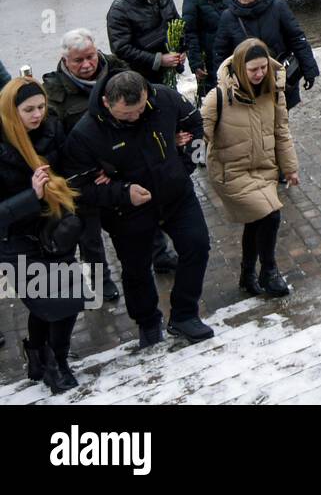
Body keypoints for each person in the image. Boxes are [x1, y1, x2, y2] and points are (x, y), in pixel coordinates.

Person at [61, 69, 214, 346]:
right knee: (136, 270)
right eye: (126, 115)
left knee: (197, 245)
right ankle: (147, 322)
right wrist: (121, 192)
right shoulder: (85, 134)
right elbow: (76, 188)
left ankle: (184, 314)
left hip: (176, 196)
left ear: (146, 93)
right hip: (128, 212)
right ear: (107, 103)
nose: (136, 117)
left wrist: (186, 165)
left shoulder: (164, 98)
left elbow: (195, 123)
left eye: (141, 109)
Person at [0, 79, 86, 393]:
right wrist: (31, 195)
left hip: (52, 231)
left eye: (41, 107)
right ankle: (56, 365)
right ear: (11, 110)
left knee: (63, 300)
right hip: (14, 241)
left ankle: (38, 355)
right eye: (28, 110)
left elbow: (67, 168)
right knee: (57, 303)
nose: (38, 114)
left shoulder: (51, 129)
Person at [42, 29, 141, 301]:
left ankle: (160, 255)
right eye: (78, 61)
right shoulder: (54, 93)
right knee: (90, 237)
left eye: (90, 57)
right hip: (86, 177)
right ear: (65, 60)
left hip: (122, 165)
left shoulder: (117, 69)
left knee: (139, 214)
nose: (86, 65)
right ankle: (101, 280)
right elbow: (58, 145)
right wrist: (90, 171)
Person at [201, 38, 298, 298]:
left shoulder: (273, 92)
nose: (259, 74)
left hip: (263, 169)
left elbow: (281, 131)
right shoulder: (218, 97)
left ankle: (247, 274)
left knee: (258, 221)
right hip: (230, 172)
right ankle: (269, 271)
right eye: (253, 69)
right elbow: (200, 135)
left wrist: (290, 168)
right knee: (271, 214)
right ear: (241, 68)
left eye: (263, 68)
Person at [212, 0, 319, 111]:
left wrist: (309, 69)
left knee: (279, 120)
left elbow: (297, 39)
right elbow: (221, 52)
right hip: (248, 84)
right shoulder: (228, 16)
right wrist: (223, 83)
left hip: (279, 78)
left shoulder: (278, 7)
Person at [107, 0, 185, 88]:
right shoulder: (119, 9)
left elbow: (177, 26)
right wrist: (158, 60)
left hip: (167, 73)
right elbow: (121, 49)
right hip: (139, 78)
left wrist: (182, 50)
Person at [182, 0, 231, 101]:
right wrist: (196, 63)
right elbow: (190, 32)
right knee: (217, 101)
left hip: (234, 52)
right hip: (210, 58)